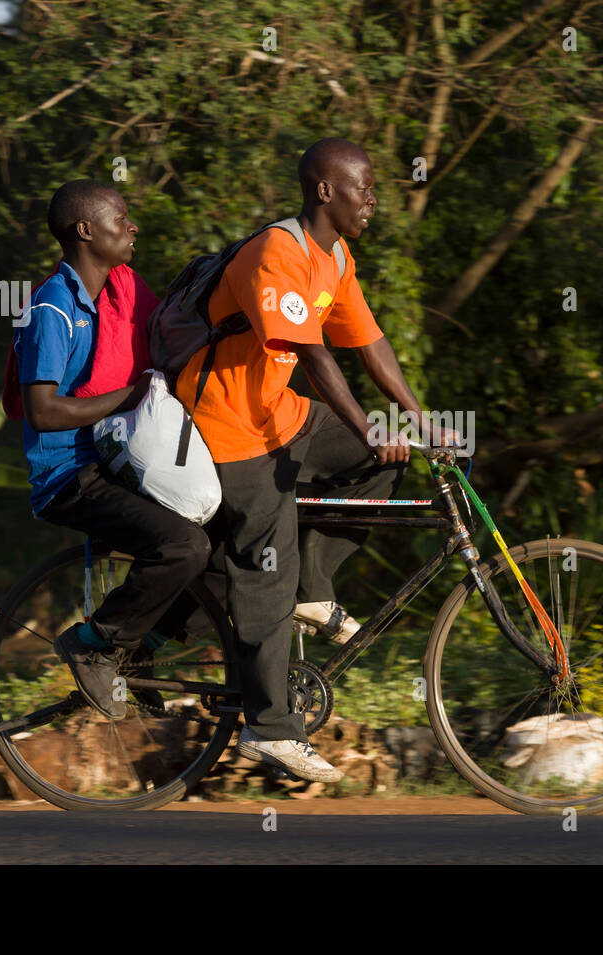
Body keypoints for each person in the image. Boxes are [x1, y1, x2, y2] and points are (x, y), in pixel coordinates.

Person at [175, 138, 452, 782]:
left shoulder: (335, 257)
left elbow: (370, 344)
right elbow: (313, 355)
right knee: (266, 567)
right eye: (365, 187)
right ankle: (270, 731)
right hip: (227, 426)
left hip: (281, 413)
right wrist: (365, 422)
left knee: (382, 462)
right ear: (325, 190)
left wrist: (413, 417)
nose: (373, 199)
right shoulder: (277, 252)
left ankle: (313, 590)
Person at [13, 179, 208, 720]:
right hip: (70, 477)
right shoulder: (52, 307)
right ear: (84, 230)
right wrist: (127, 396)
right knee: (184, 548)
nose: (131, 227)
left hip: (116, 462)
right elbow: (43, 411)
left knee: (226, 536)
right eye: (120, 218)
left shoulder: (119, 293)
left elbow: (168, 328)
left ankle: (137, 652)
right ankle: (94, 643)